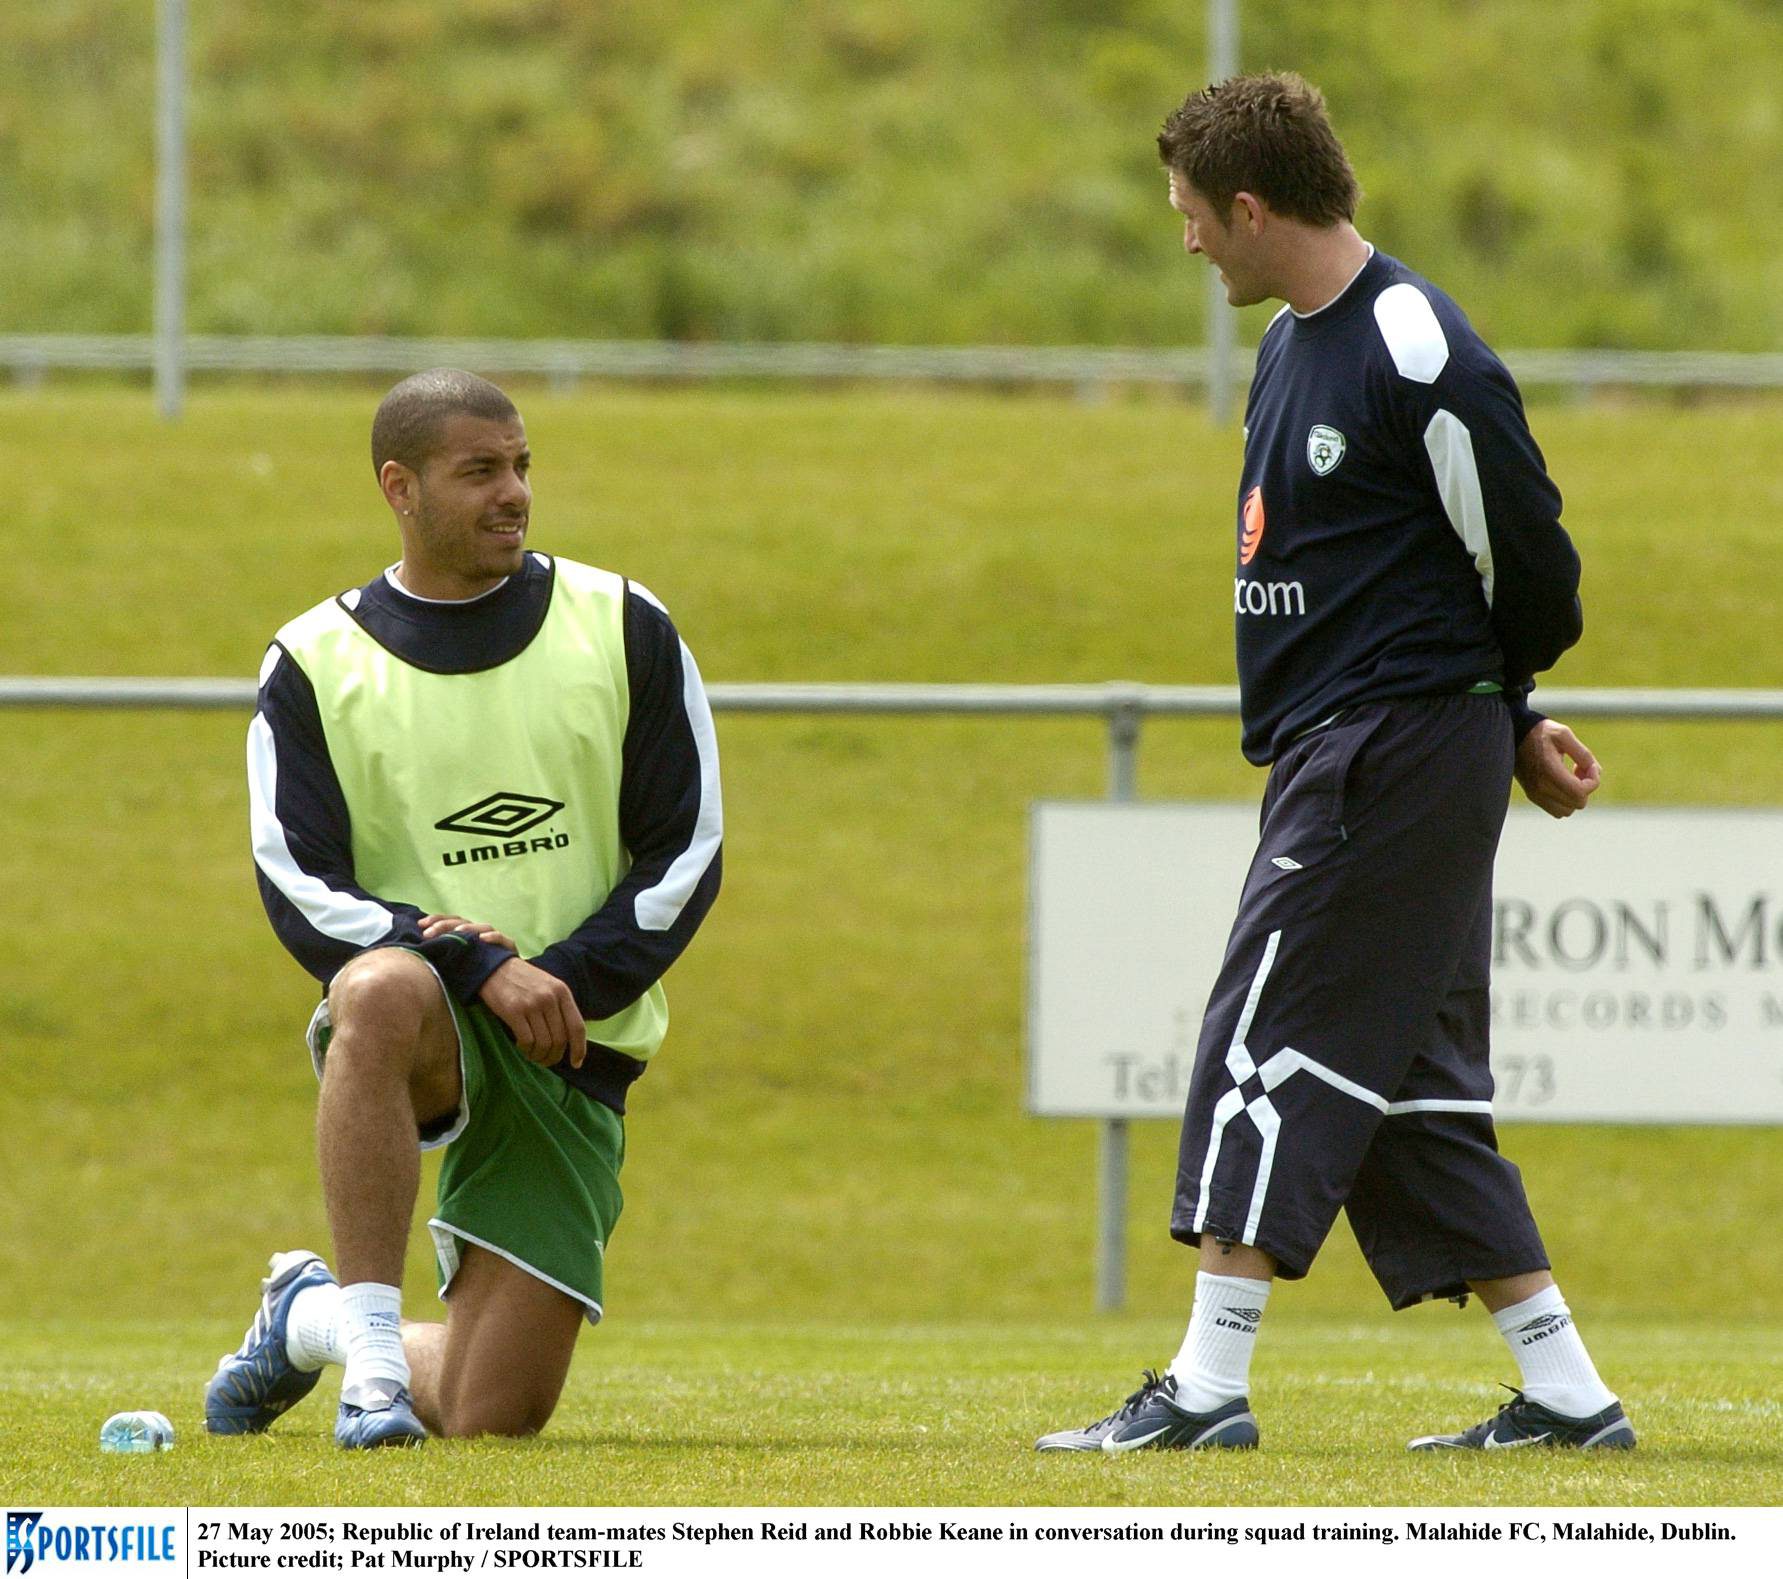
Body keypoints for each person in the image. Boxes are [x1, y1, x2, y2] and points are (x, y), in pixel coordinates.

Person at [1039, 73, 1632, 1455]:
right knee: (1404, 1076)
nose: (1185, 242)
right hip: (1368, 739)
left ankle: (1200, 1386)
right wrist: (1496, 714)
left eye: (1192, 217)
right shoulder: (1290, 343)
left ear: (1249, 208)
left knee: (1264, 1029)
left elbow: (1529, 558)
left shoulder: (1413, 346)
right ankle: (1562, 1390)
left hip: (1387, 745)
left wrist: (1501, 699)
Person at [206, 368, 722, 1447]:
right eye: (478, 470)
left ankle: (305, 1320)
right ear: (400, 486)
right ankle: (375, 1370)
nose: (514, 492)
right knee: (380, 989)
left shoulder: (623, 623)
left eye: (522, 465)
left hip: (571, 1036)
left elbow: (688, 848)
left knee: (494, 1417)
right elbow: (296, 881)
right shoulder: (312, 660)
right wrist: (476, 967)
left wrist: (560, 981)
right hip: (424, 1014)